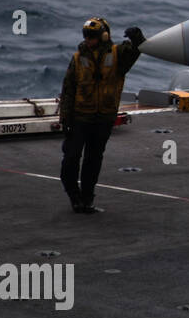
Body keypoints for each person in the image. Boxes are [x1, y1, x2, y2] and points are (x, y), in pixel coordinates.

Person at [58, 17, 144, 214]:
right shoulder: (78, 58)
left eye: (92, 36)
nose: (88, 40)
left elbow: (138, 50)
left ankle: (86, 199)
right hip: (80, 117)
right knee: (70, 158)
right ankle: (74, 195)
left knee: (93, 160)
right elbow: (68, 89)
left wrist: (137, 37)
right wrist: (65, 118)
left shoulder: (118, 55)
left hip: (103, 118)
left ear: (104, 35)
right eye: (86, 36)